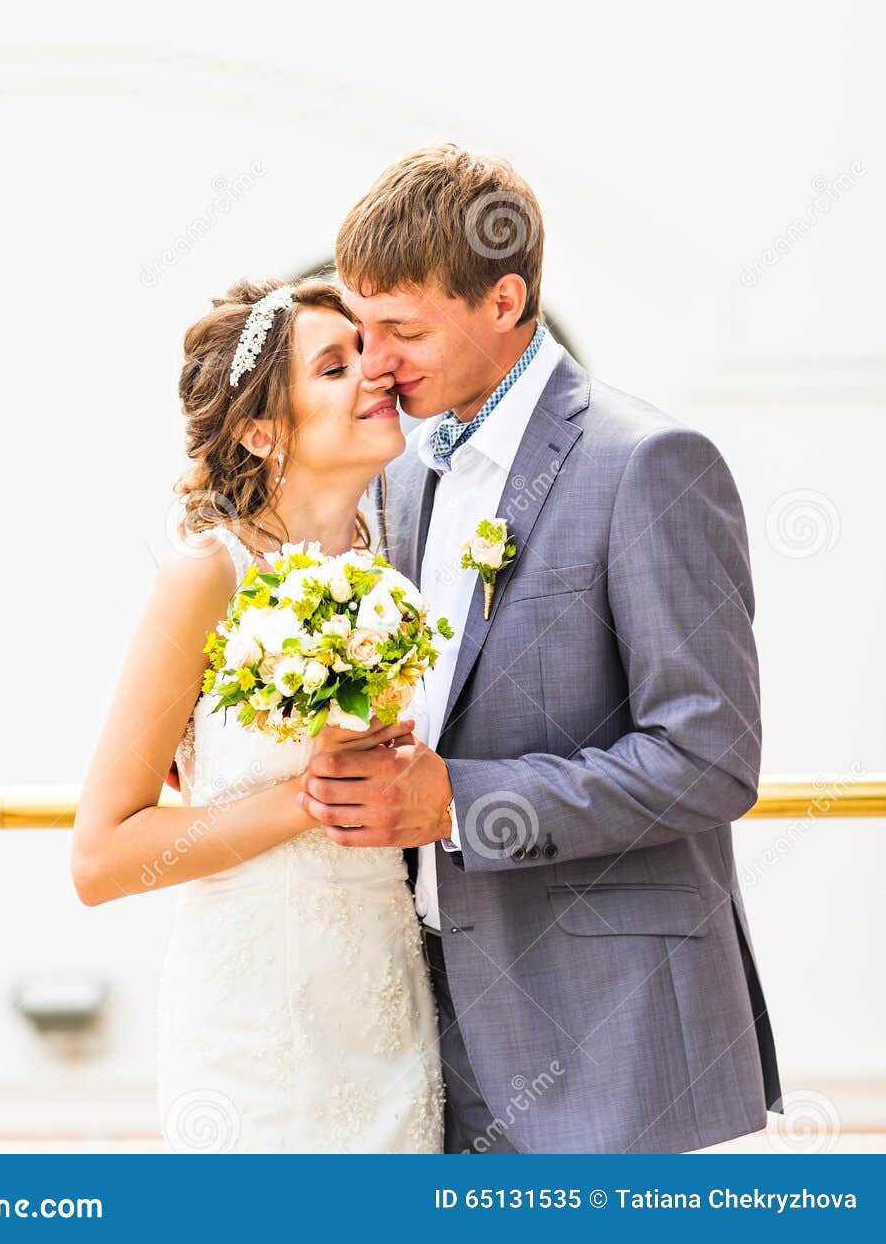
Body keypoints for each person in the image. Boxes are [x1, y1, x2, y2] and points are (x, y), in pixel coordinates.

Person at [298, 143, 783, 1155]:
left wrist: (460, 805)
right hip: (427, 1029)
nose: (377, 360)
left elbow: (708, 757)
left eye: (403, 329)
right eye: (362, 328)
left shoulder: (647, 465)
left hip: (613, 1039)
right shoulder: (399, 475)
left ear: (505, 299)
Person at [71, 277, 443, 1153]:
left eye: (368, 351)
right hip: (253, 1031)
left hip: (391, 1005)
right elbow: (99, 856)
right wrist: (304, 800)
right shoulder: (206, 573)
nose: (374, 372)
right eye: (333, 365)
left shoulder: (404, 560)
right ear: (260, 429)